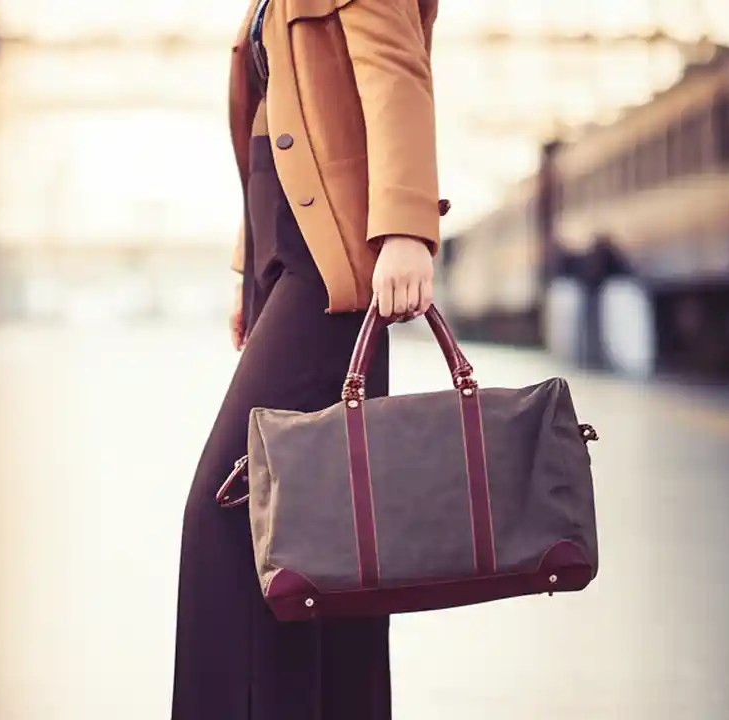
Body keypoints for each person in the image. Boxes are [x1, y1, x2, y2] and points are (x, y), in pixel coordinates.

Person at [172, 1, 443, 718]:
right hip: (285, 254)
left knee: (231, 508)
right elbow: (276, 125)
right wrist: (249, 269)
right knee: (323, 523)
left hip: (331, 268)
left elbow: (397, 70)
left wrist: (406, 228)